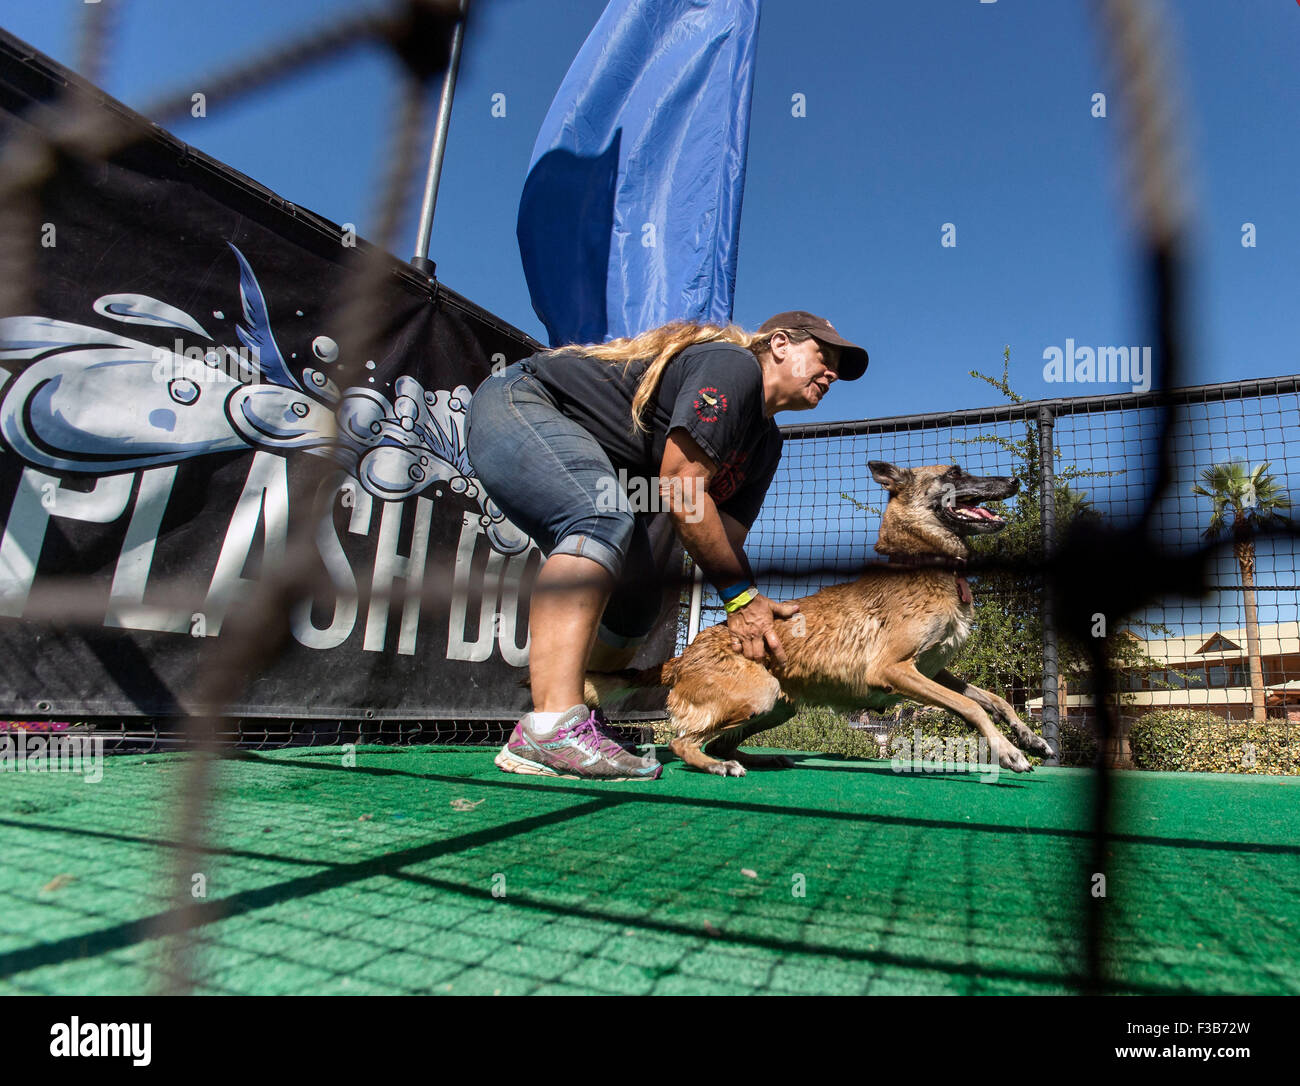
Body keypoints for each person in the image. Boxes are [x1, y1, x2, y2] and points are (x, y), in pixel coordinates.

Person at [464, 311, 869, 780]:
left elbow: (725, 540)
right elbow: (680, 487)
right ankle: (552, 726)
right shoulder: (733, 367)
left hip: (605, 470)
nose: (833, 373)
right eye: (824, 356)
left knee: (636, 605)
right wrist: (740, 599)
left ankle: (580, 720)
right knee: (598, 519)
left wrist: (752, 610)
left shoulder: (767, 445)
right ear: (779, 344)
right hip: (521, 404)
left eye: (839, 367)